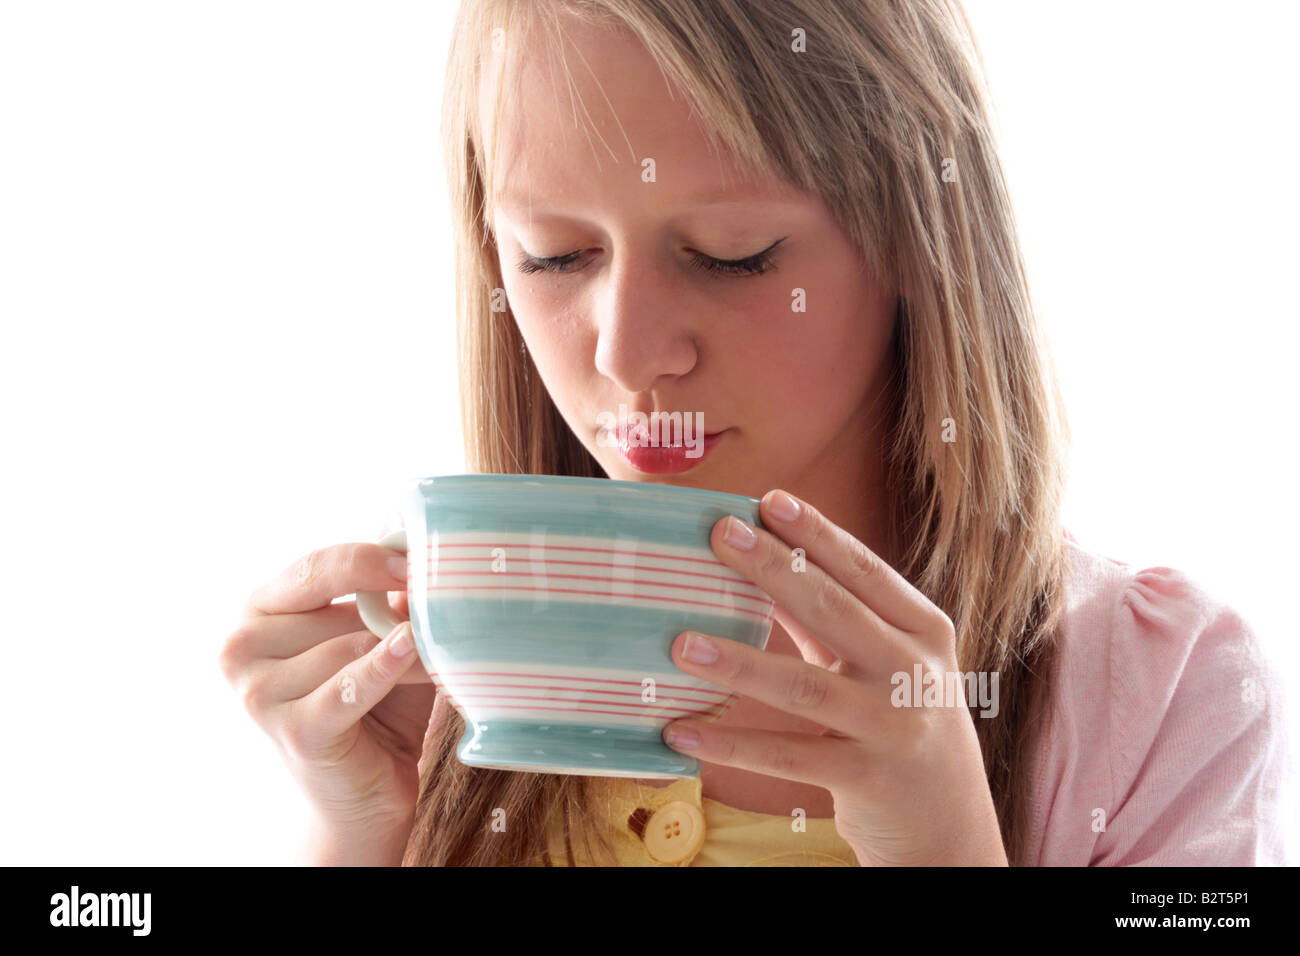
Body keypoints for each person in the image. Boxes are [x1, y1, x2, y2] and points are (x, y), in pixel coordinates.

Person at [220, 0, 1290, 866]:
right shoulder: (434, 705)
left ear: (920, 238)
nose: (627, 354)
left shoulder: (1154, 696)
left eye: (734, 254)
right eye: (553, 255)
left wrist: (943, 849)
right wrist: (358, 833)